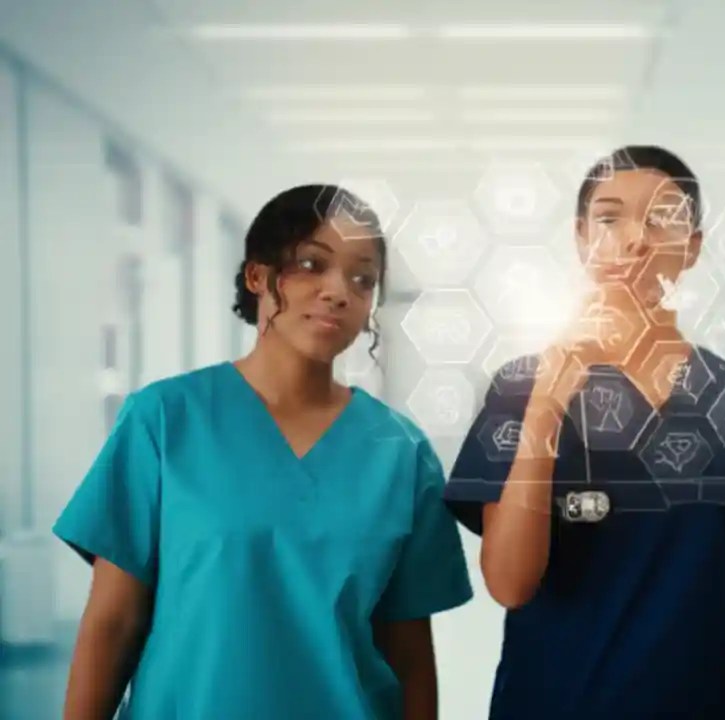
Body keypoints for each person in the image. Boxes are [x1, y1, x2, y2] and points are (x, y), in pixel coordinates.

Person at [53, 184, 473, 719]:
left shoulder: (401, 453)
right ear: (257, 276)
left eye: (362, 278)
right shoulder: (164, 420)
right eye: (312, 264)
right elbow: (112, 623)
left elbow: (409, 655)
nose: (338, 291)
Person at [443, 146, 725, 719]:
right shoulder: (520, 388)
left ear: (692, 246)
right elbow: (509, 584)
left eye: (661, 220)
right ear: (581, 239)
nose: (635, 240)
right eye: (609, 218)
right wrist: (548, 403)